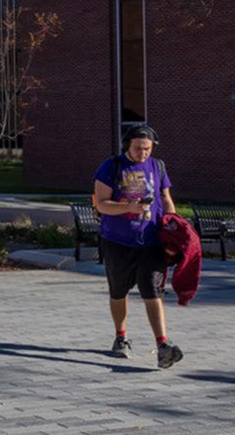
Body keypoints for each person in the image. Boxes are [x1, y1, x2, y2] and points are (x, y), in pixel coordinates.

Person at [92, 124, 183, 369]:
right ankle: (121, 337)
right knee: (118, 291)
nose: (143, 153)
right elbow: (101, 203)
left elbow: (165, 197)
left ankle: (163, 345)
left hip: (152, 240)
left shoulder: (158, 166)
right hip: (117, 240)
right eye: (138, 148)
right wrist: (126, 208)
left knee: (153, 289)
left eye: (147, 149)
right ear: (126, 146)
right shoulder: (111, 167)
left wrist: (172, 221)